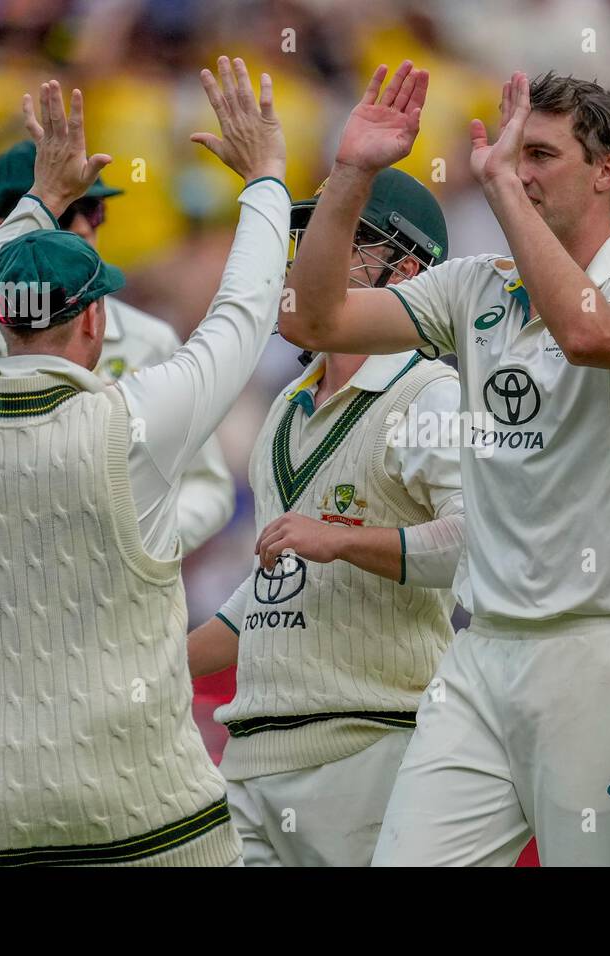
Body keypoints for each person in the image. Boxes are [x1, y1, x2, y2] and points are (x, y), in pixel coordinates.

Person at [282, 63, 610, 866]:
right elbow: (316, 319)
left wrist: (502, 187)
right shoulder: (477, 287)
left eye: (541, 154)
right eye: (514, 151)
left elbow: (586, 334)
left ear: (608, 170)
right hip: (482, 654)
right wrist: (353, 174)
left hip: (604, 653)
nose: (520, 166)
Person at [0, 59, 288, 867]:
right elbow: (244, 314)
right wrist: (264, 180)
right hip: (150, 829)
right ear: (91, 327)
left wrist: (37, 202)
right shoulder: (133, 421)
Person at [187, 167, 464, 866]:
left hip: (371, 745)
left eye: (340, 239)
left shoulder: (433, 393)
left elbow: (476, 545)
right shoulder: (285, 406)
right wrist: (159, 667)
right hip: (252, 753)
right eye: (303, 236)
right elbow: (278, 588)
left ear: (407, 268)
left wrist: (341, 542)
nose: (306, 255)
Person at [0, 141, 234, 597]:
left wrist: (136, 551)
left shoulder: (149, 340)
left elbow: (209, 487)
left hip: (123, 617)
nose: (92, 229)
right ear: (9, 229)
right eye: (78, 211)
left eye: (98, 213)